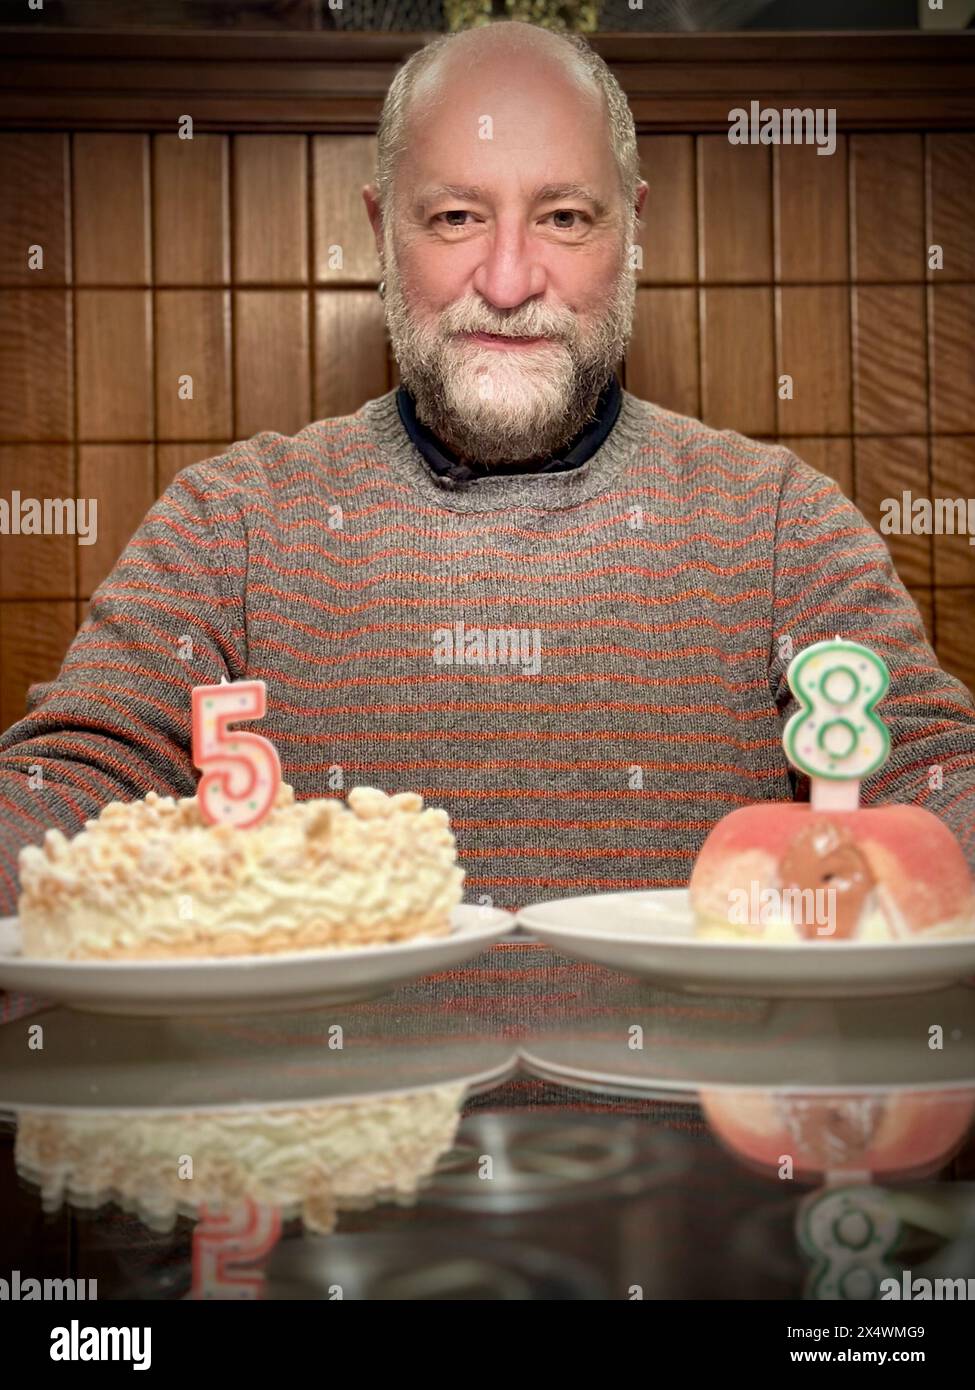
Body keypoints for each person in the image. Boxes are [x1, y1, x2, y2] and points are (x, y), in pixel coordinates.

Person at [1, 19, 973, 924]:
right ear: (382, 230)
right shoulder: (231, 524)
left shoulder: (782, 523)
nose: (508, 283)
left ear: (632, 230)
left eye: (564, 217)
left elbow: (934, 780)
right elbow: (70, 784)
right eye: (457, 215)